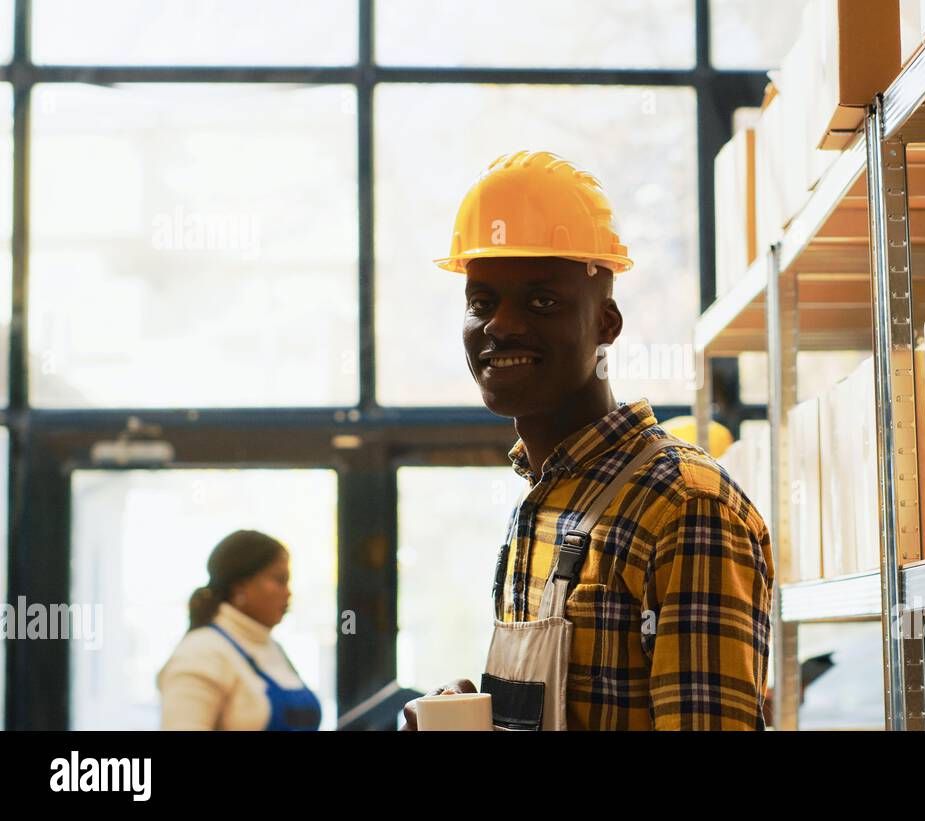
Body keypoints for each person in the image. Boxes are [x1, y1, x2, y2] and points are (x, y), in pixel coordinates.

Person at [403, 150, 773, 730]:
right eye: (482, 303)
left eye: (541, 301)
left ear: (607, 324)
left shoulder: (683, 506)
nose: (500, 325)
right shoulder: (543, 503)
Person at [157, 529, 321, 731]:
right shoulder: (201, 652)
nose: (288, 593)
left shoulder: (272, 648)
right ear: (240, 586)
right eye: (279, 580)